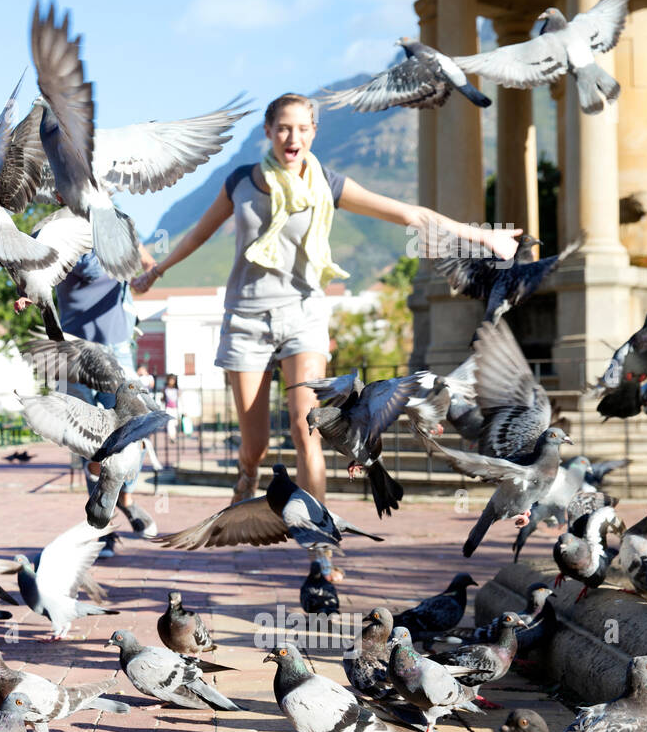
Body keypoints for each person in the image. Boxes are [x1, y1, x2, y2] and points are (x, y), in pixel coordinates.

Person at [133, 92, 520, 508]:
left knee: (307, 430)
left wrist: (484, 236)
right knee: (256, 446)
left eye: (302, 128)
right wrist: (158, 270)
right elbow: (198, 234)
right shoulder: (241, 182)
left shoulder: (328, 184)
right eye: (283, 127)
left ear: (313, 132)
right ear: (268, 131)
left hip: (304, 316)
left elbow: (410, 215)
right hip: (246, 320)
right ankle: (248, 475)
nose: (291, 136)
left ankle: (318, 545)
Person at [54, 246, 158, 557]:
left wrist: (145, 275)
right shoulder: (53, 231)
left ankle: (124, 500)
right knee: (93, 444)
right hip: (72, 354)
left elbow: (147, 265)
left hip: (118, 348)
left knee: (133, 433)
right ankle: (102, 526)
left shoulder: (118, 230)